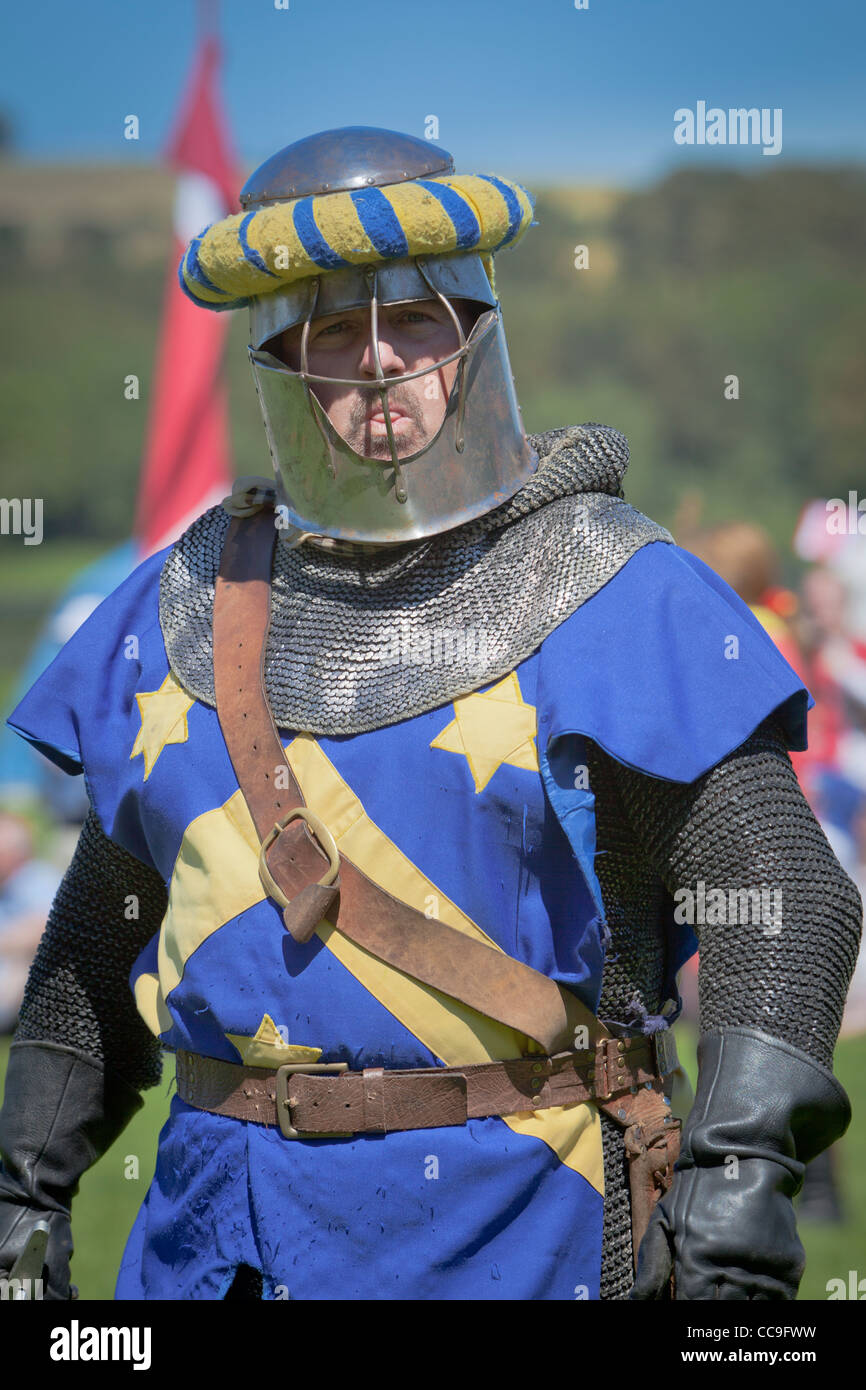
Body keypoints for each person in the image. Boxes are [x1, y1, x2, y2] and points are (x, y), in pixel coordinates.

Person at [0, 127, 860, 1302]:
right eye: (329, 332)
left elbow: (783, 893)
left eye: (412, 320)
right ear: (279, 362)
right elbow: (109, 929)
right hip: (217, 1239)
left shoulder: (607, 585)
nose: (376, 363)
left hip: (523, 1221)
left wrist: (736, 1193)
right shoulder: (188, 601)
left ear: (470, 335)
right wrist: (22, 1195)